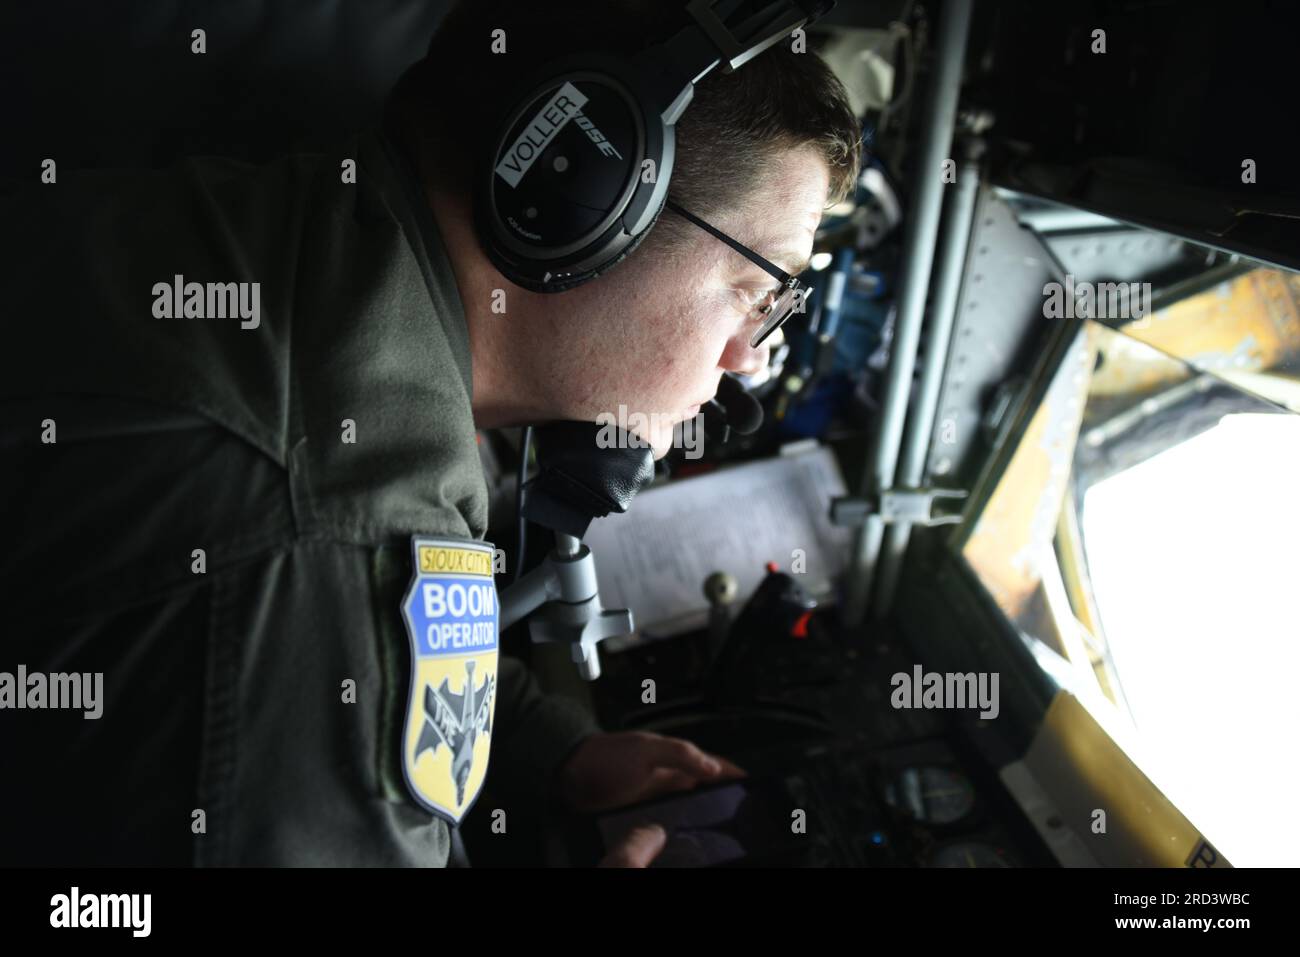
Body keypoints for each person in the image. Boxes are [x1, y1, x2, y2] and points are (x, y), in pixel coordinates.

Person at [0, 0, 860, 867]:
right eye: (761, 292)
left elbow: (372, 636)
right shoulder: (324, 527)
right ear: (581, 194)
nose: (750, 361)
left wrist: (554, 749)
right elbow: (329, 612)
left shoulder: (317, 225)